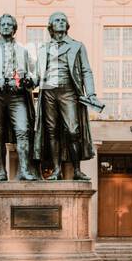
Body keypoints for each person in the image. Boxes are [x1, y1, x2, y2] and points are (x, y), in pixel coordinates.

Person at [32, 11, 101, 179]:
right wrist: (26, 80)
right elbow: (37, 75)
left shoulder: (77, 46)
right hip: (48, 91)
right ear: (51, 26)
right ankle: (57, 170)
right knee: (52, 131)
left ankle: (77, 170)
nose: (61, 22)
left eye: (64, 20)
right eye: (57, 20)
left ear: (67, 25)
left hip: (68, 91)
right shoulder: (44, 48)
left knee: (72, 130)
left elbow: (86, 70)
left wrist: (91, 93)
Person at [0, 13, 38, 180]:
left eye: (9, 24)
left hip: (18, 95)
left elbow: (34, 71)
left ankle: (25, 170)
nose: (6, 27)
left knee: (23, 131)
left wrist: (31, 80)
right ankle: (1, 171)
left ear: (14, 28)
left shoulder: (23, 50)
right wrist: (0, 80)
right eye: (3, 24)